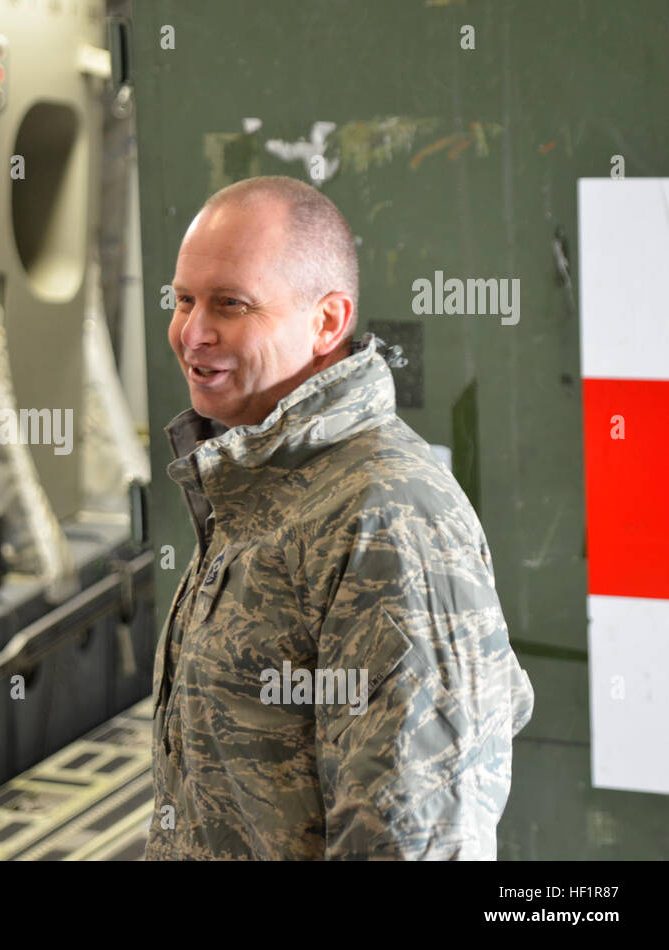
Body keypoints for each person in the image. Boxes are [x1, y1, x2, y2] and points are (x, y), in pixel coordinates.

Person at [148, 175, 534, 860]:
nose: (192, 333)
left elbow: (417, 839)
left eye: (230, 306)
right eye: (183, 301)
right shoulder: (257, 484)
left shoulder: (385, 514)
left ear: (327, 322)